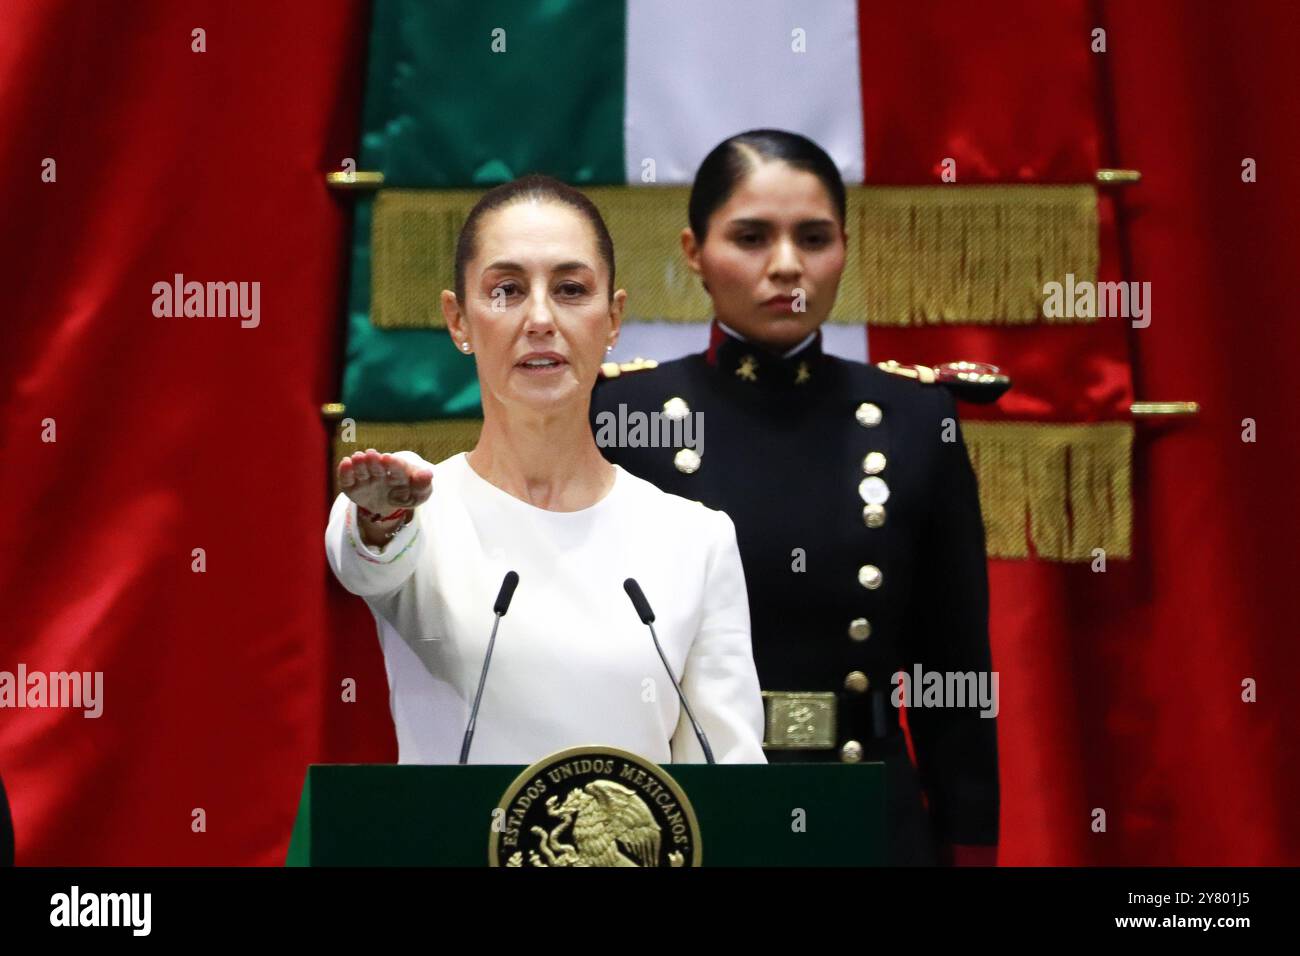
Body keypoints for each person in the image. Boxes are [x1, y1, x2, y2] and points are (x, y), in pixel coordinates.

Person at [591, 130, 998, 864]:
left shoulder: (913, 419)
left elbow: (953, 663)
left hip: (863, 810)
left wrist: (968, 838)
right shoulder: (624, 416)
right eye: (751, 237)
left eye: (813, 237)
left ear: (844, 245)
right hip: (682, 810)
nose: (787, 266)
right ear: (694, 252)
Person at [325, 174, 765, 767]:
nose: (539, 317)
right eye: (506, 289)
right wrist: (383, 518)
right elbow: (364, 560)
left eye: (571, 289)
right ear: (458, 321)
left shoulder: (695, 540)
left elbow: (730, 779)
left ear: (613, 319)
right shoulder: (414, 512)